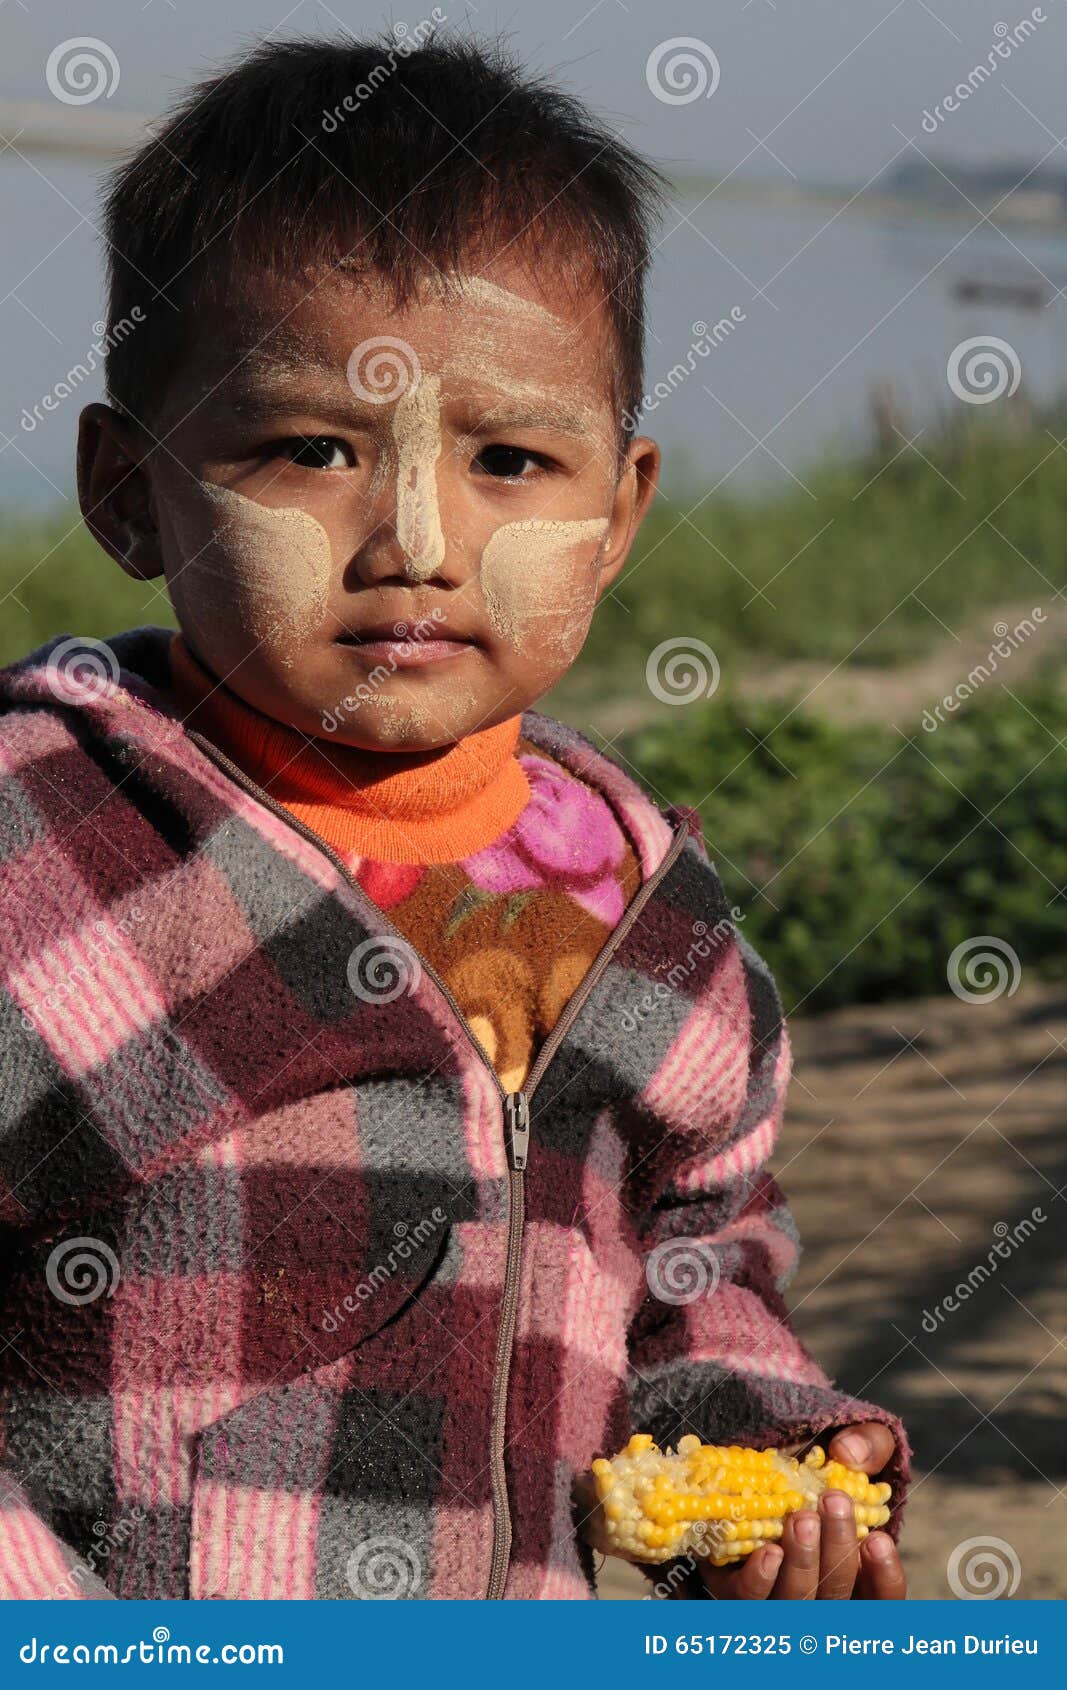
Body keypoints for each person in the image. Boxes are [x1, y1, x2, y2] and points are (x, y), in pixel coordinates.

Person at [0, 34, 908, 1601]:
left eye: (507, 460)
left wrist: (770, 1453)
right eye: (313, 449)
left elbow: (700, 1250)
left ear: (617, 513)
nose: (416, 541)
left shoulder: (633, 900)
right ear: (127, 488)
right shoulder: (48, 845)